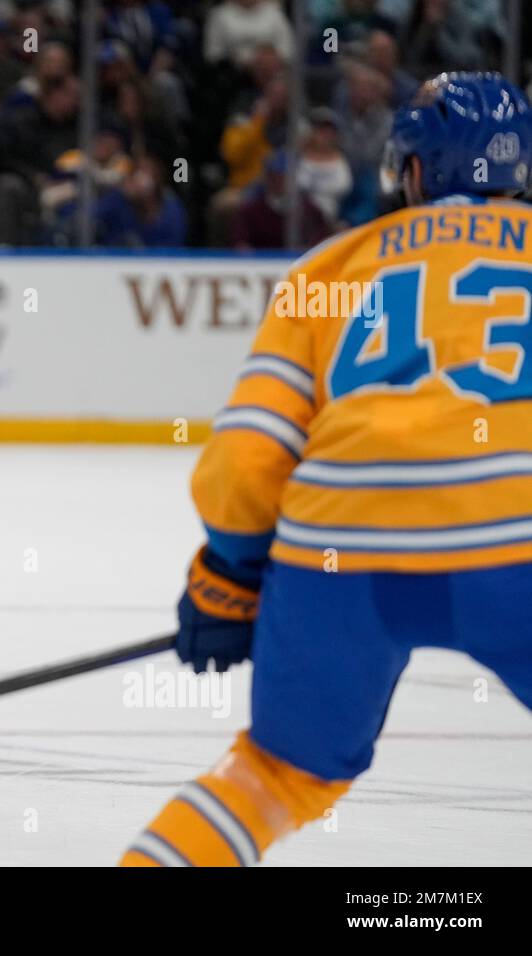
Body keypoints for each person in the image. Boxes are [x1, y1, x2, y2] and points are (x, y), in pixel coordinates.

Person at [121, 72, 532, 866]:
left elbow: (245, 458)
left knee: (274, 777)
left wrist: (230, 575)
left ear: (411, 170)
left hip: (337, 550)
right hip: (514, 543)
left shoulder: (329, 267)